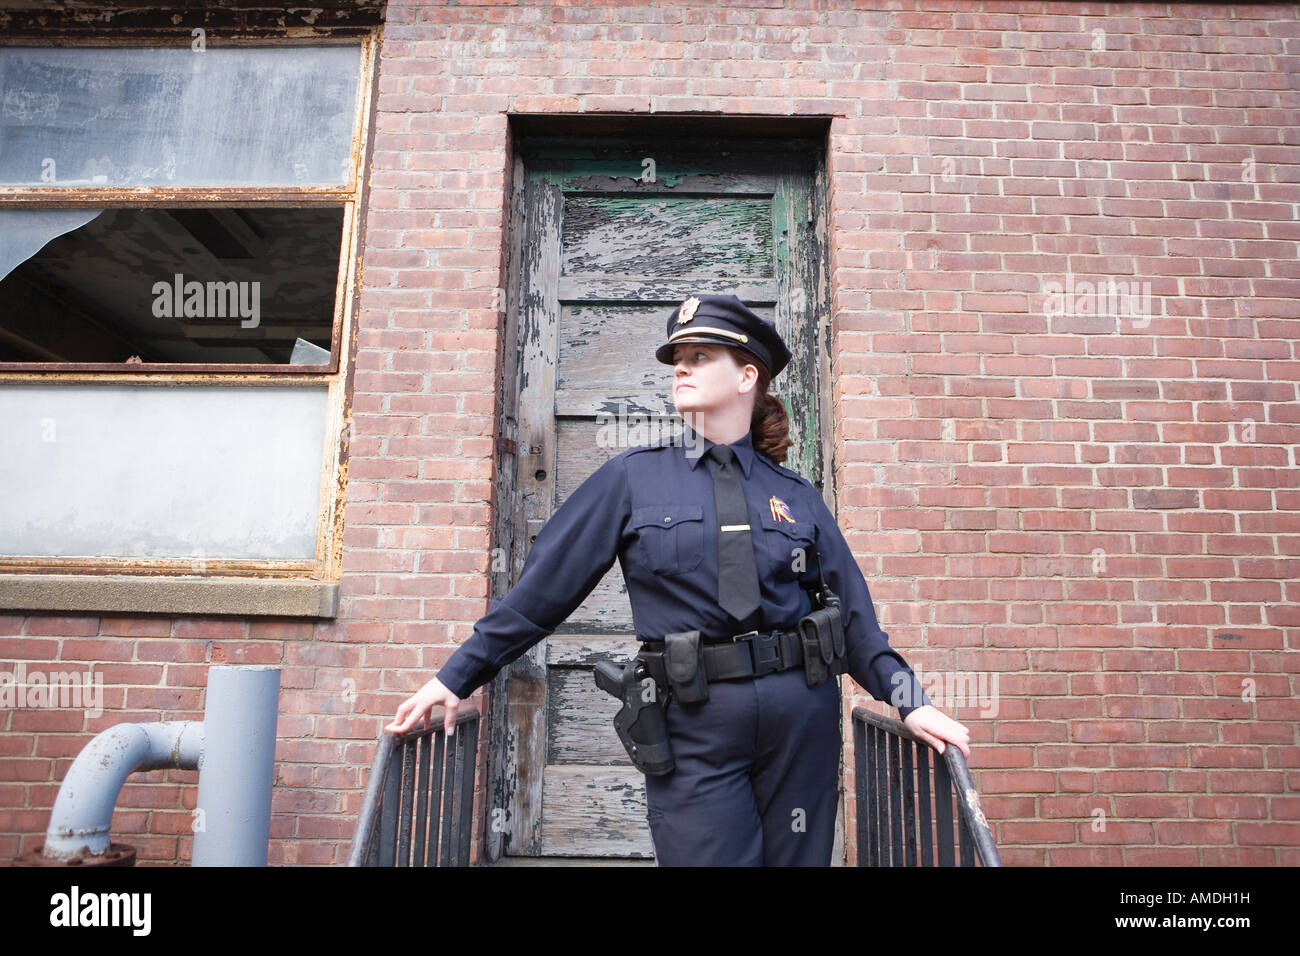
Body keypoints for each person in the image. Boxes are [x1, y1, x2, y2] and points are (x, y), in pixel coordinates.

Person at [387, 293, 971, 865]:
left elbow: (856, 623)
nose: (681, 369)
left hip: (801, 719)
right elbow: (542, 594)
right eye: (678, 359)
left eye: (700, 358)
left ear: (747, 377)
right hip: (695, 721)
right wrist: (455, 677)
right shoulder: (631, 480)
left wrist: (910, 702)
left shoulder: (796, 498)